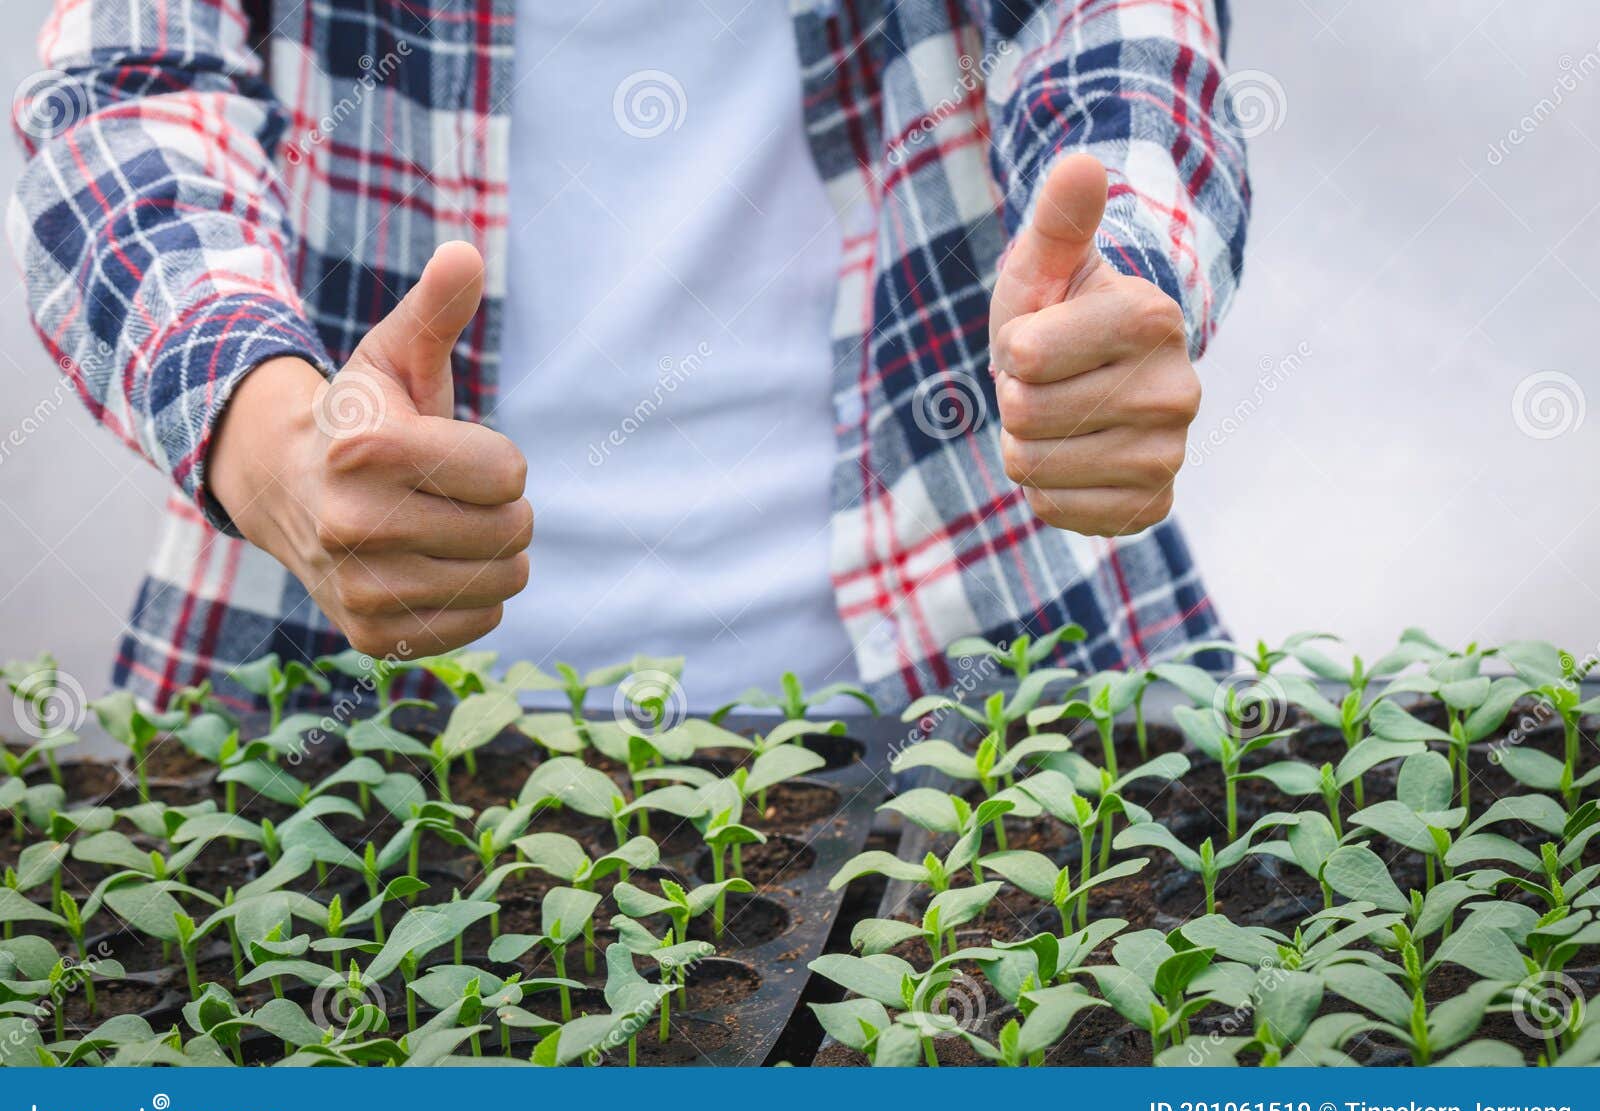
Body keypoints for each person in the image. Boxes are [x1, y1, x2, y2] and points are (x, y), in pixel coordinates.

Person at [10, 1, 1249, 711]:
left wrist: (1125, 287)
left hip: (973, 688)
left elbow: (1118, 33)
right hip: (347, 738)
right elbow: (127, 95)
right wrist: (266, 432)